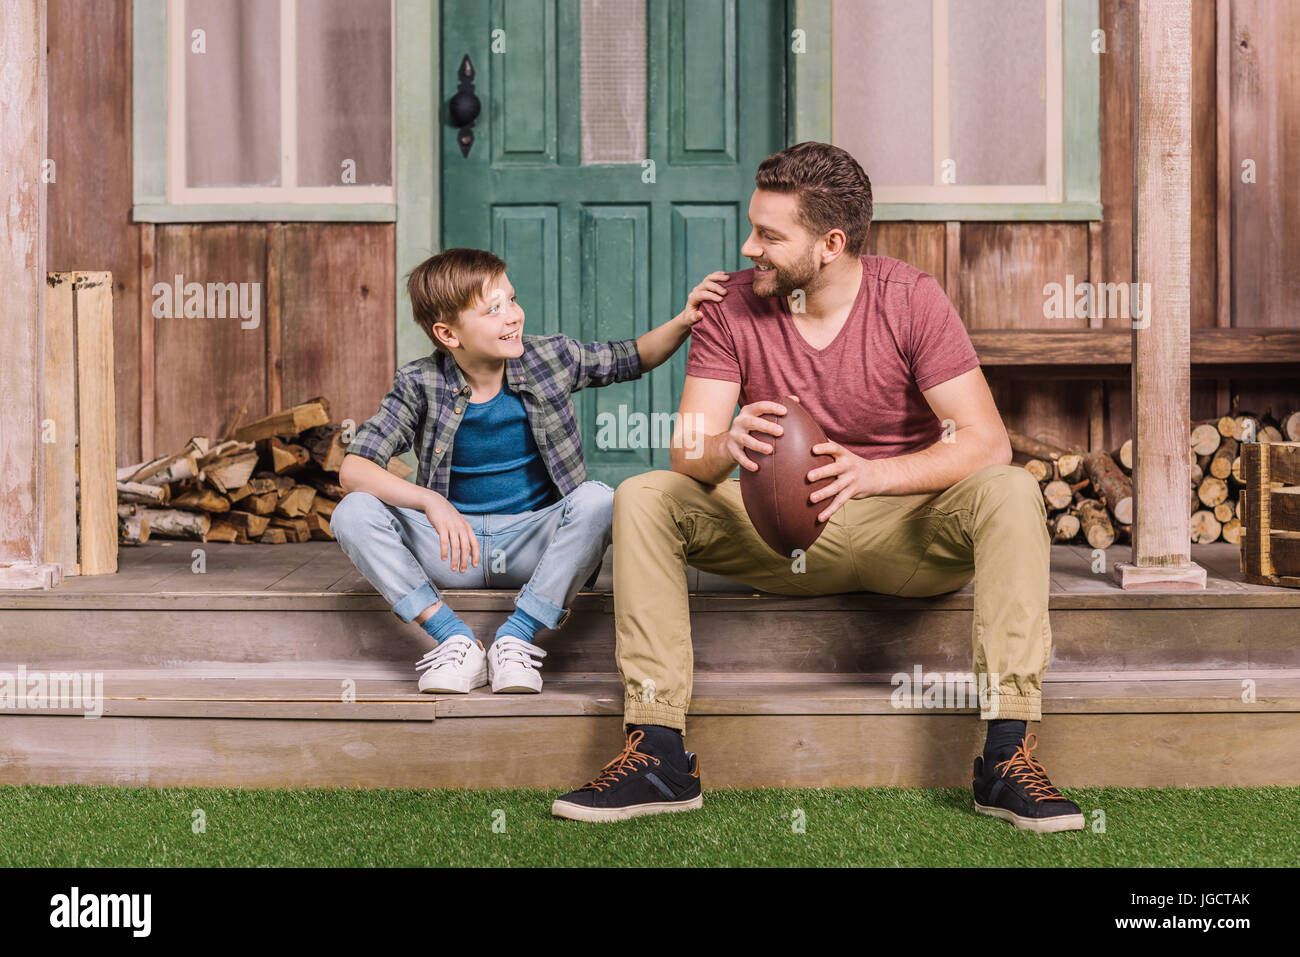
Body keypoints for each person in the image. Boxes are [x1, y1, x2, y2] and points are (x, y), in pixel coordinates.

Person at [552, 142, 1083, 832]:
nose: (749, 248)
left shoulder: (910, 298)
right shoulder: (731, 306)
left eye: (769, 235)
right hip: (779, 534)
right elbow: (688, 452)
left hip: (905, 533)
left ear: (831, 244)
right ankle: (658, 754)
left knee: (1010, 489)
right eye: (752, 228)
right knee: (645, 495)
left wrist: (873, 474)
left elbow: (986, 441)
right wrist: (723, 445)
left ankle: (1006, 756)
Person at [331, 247, 722, 695]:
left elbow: (632, 357)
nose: (513, 315)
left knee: (599, 498)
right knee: (352, 512)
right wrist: (430, 501)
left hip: (534, 547)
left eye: (512, 300)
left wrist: (685, 320)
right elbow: (354, 468)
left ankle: (516, 638)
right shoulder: (419, 383)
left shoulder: (549, 357)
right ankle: (454, 639)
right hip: (453, 550)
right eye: (493, 309)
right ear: (448, 334)